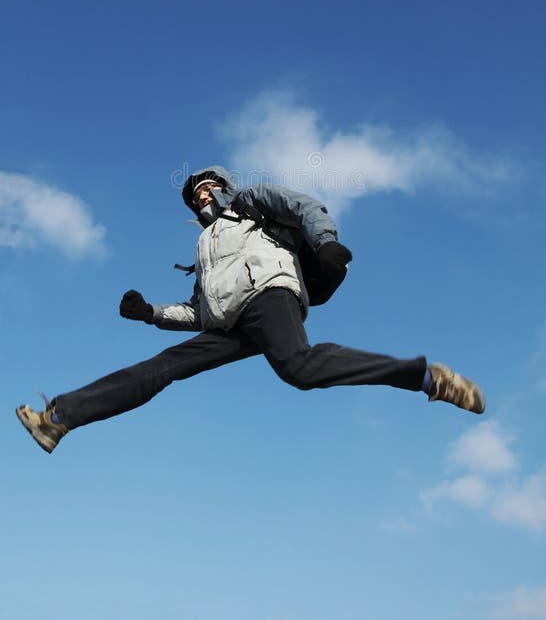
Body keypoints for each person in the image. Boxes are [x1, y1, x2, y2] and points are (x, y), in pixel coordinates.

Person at [16, 165, 485, 454]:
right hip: (229, 321)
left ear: (223, 185)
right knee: (161, 368)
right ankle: (60, 419)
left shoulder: (248, 204)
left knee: (298, 368)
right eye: (195, 191)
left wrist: (326, 244)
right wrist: (153, 313)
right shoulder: (204, 246)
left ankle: (426, 377)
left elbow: (303, 205)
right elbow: (201, 311)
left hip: (270, 295)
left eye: (207, 185)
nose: (201, 192)